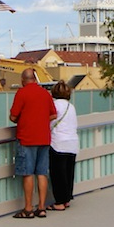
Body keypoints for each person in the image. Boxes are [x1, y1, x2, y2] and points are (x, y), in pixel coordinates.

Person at [8, 67, 56, 218]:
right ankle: (41, 207)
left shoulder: (21, 93)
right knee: (42, 173)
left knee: (27, 173)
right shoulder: (45, 93)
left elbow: (13, 117)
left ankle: (28, 208)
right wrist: (41, 121)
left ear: (23, 80)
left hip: (27, 138)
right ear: (35, 79)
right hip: (44, 138)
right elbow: (53, 114)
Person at [47, 80, 79, 211]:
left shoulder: (54, 105)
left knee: (57, 174)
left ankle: (59, 201)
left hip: (58, 142)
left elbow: (49, 121)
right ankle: (66, 199)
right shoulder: (71, 107)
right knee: (68, 172)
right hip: (72, 142)